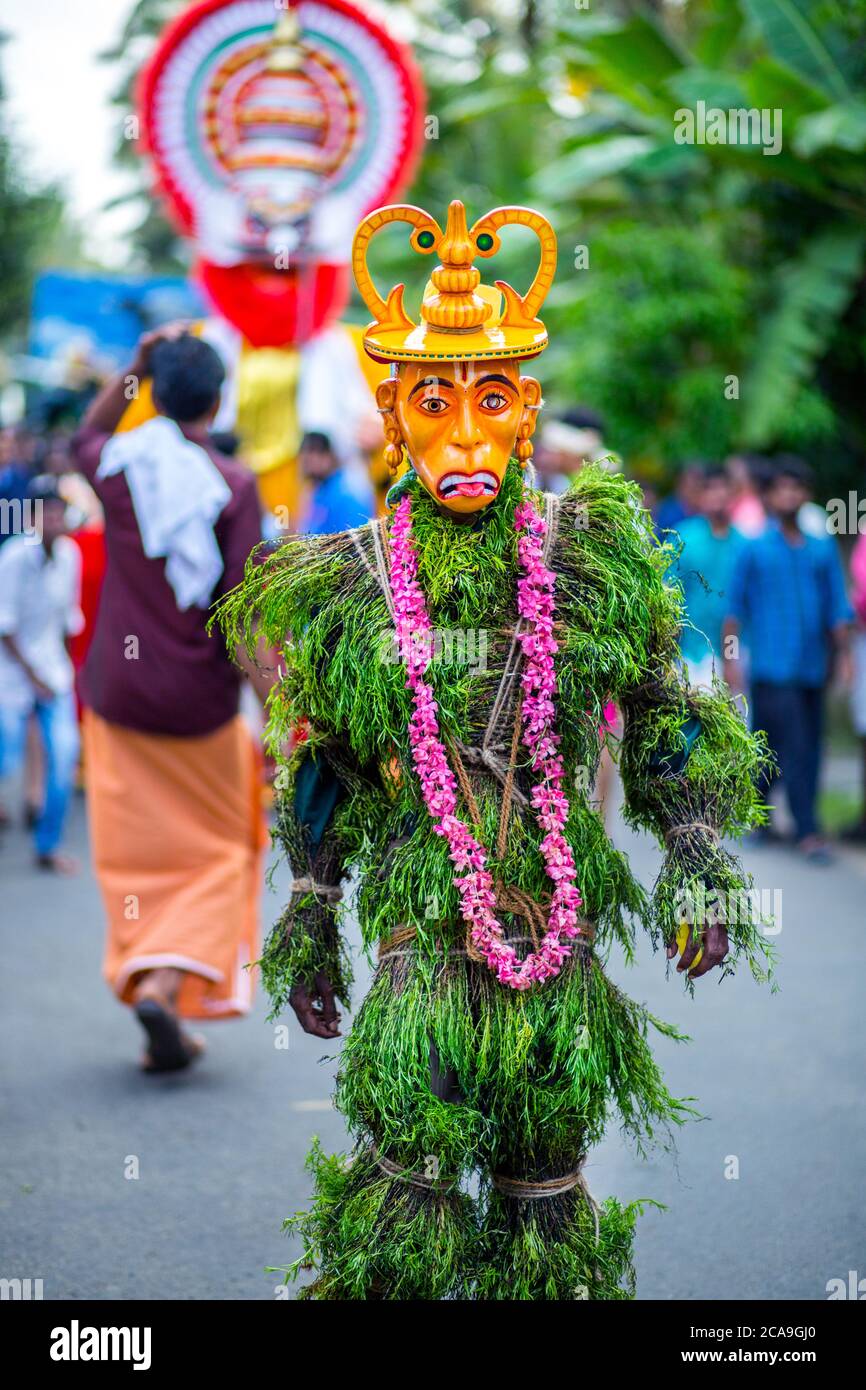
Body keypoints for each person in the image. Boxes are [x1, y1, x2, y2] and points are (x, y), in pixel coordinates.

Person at [220, 199, 771, 1300]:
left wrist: (698, 853)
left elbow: (661, 709)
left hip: (549, 941)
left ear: (522, 411)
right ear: (392, 413)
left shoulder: (584, 555)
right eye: (435, 402)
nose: (463, 432)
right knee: (405, 1186)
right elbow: (320, 757)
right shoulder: (346, 577)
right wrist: (313, 912)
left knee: (545, 1190)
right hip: (424, 940)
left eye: (489, 399)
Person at [72, 326, 275, 1072]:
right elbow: (246, 615)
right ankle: (164, 979)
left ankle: (158, 983)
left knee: (137, 859)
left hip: (118, 697)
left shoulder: (119, 470)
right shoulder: (235, 486)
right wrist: (283, 718)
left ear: (153, 393)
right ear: (218, 401)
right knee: (224, 851)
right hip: (201, 706)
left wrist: (131, 368)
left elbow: (83, 435)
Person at [724, 457, 853, 863]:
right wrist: (730, 660)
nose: (789, 496)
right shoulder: (756, 547)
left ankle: (772, 819)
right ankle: (805, 829)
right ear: (770, 495)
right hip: (771, 667)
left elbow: (838, 606)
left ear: (805, 495)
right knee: (778, 744)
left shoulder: (821, 548)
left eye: (796, 488)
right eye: (782, 488)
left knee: (805, 744)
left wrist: (845, 655)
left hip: (813, 666)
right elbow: (734, 609)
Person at [0, 476, 82, 869]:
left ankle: (47, 846)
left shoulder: (70, 555)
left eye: (57, 512)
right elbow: (5, 626)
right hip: (13, 675)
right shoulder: (15, 556)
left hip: (53, 675)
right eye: (45, 513)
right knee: (7, 757)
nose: (52, 520)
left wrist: (64, 672)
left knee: (64, 756)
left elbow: (69, 621)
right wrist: (34, 677)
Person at [669, 464, 746, 687]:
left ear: (734, 493)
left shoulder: (744, 544)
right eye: (710, 488)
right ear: (699, 494)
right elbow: (668, 595)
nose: (718, 495)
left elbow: (740, 608)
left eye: (723, 488)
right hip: (691, 654)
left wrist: (731, 659)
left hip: (733, 651)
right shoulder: (683, 538)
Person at [296, 430, 375, 535]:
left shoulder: (348, 493)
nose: (305, 462)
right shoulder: (320, 491)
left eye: (311, 452)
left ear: (328, 456)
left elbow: (356, 541)